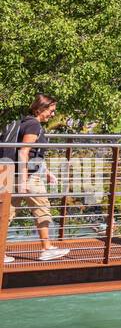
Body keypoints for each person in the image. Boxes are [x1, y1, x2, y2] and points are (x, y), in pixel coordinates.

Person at [0, 95, 69, 263]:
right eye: (51, 111)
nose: (52, 115)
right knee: (42, 208)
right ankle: (47, 249)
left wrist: (46, 172)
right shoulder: (34, 125)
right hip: (26, 177)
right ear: (40, 109)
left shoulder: (21, 122)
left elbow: (32, 154)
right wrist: (23, 181)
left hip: (8, 173)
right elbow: (24, 152)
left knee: (5, 214)